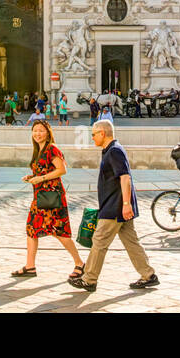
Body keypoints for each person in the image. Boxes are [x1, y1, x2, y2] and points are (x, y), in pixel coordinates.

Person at [68, 120, 157, 292]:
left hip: (115, 207)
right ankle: (148, 275)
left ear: (102, 133)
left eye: (93, 134)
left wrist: (125, 204)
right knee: (131, 242)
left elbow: (125, 178)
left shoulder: (114, 151)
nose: (92, 138)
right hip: (117, 205)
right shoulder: (110, 150)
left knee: (99, 241)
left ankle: (89, 279)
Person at [12, 120, 86, 281]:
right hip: (41, 197)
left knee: (59, 232)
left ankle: (80, 263)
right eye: (35, 131)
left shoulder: (52, 149)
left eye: (41, 130)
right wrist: (32, 177)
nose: (37, 133)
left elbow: (62, 170)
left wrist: (41, 178)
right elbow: (44, 170)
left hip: (52, 198)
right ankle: (30, 266)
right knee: (32, 229)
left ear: (48, 133)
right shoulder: (39, 150)